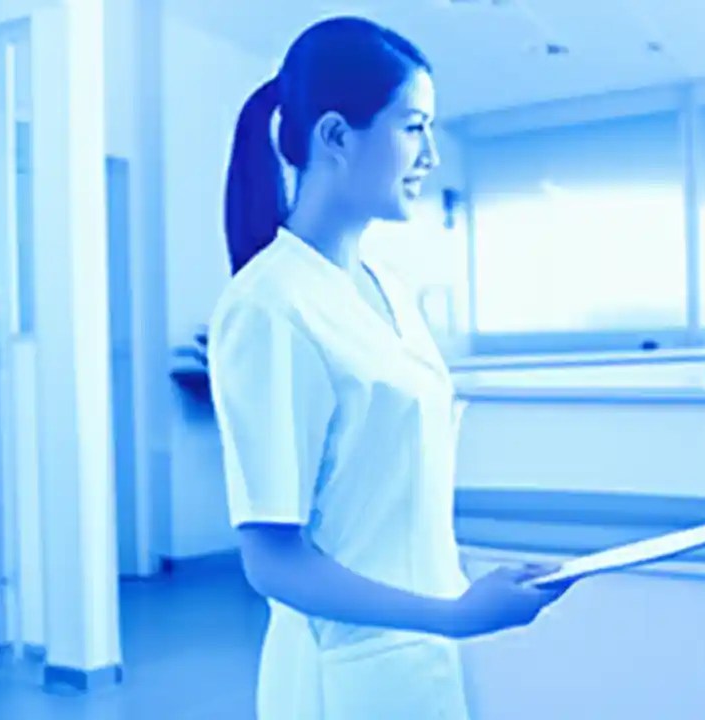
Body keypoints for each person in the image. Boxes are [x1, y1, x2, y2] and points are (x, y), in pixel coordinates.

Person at [208, 17, 566, 720]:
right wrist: (452, 615)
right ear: (337, 137)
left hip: (421, 658)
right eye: (414, 127)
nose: (430, 155)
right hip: (343, 674)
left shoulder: (388, 290)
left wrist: (464, 599)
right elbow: (273, 561)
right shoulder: (268, 305)